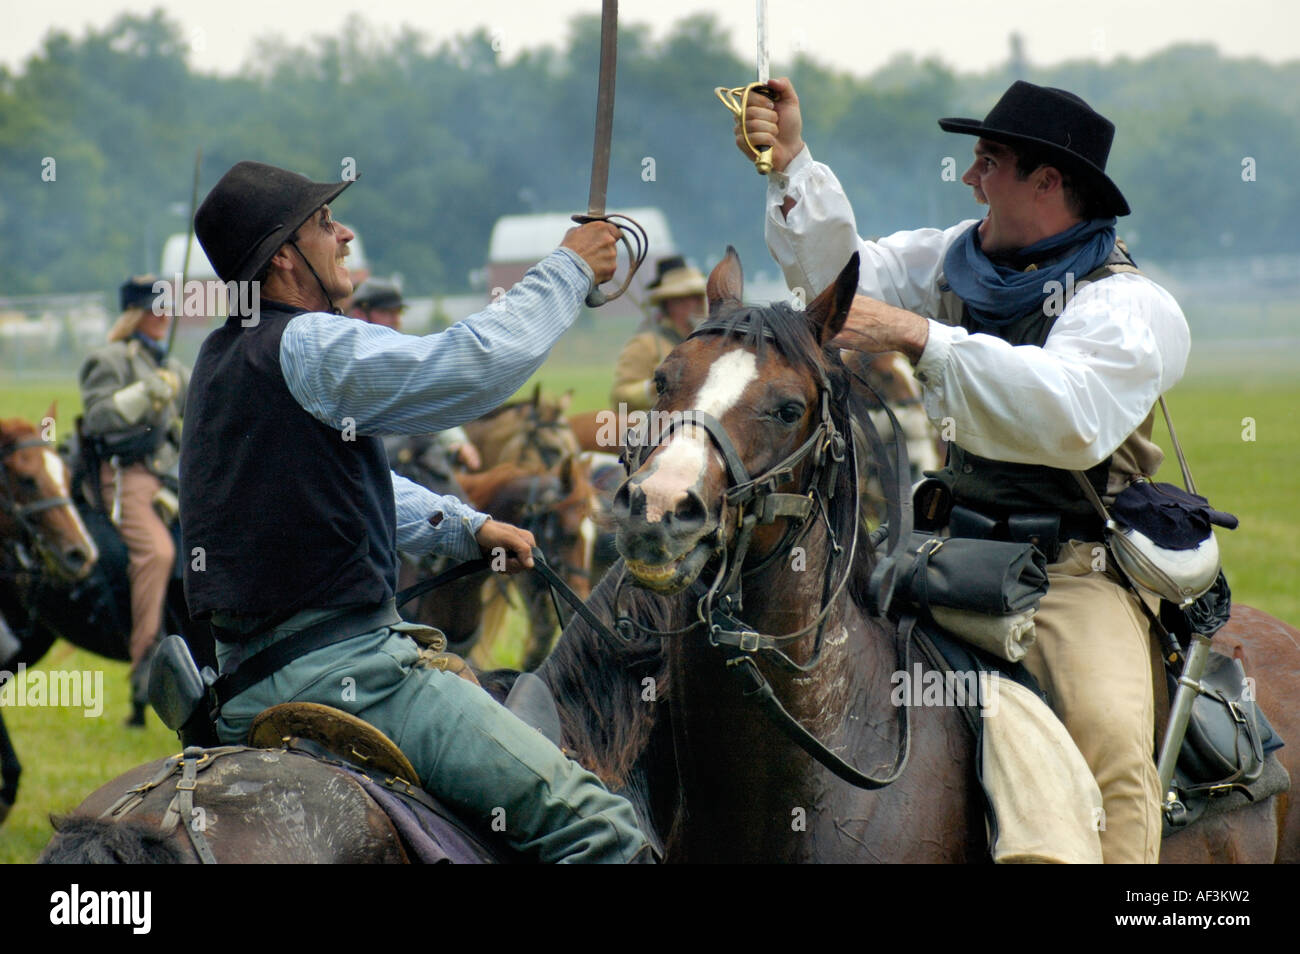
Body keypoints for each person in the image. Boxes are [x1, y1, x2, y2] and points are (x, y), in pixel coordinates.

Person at [739, 79, 1190, 864]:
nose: (970, 178)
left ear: (1048, 182)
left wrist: (920, 337)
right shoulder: (955, 259)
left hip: (1071, 579)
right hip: (940, 556)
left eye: (989, 162)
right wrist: (792, 166)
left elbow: (1068, 414)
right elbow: (837, 286)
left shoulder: (1133, 308)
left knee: (1116, 753)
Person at [181, 160, 648, 863]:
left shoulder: (221, 358)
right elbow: (466, 368)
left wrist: (465, 526)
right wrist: (568, 270)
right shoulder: (308, 342)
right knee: (604, 831)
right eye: (324, 223)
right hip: (352, 674)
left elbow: (332, 491)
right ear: (283, 257)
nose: (344, 234)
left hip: (243, 686)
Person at [78, 275, 189, 726]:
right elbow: (99, 416)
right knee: (157, 554)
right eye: (154, 310)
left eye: (165, 309)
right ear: (136, 314)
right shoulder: (108, 359)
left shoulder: (172, 365)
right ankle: (144, 667)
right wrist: (143, 393)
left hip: (171, 475)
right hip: (128, 476)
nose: (162, 318)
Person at [610, 256, 707, 412]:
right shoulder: (644, 344)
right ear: (672, 303)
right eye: (692, 298)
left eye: (699, 298)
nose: (699, 305)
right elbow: (619, 397)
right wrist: (657, 387)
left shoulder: (709, 343)